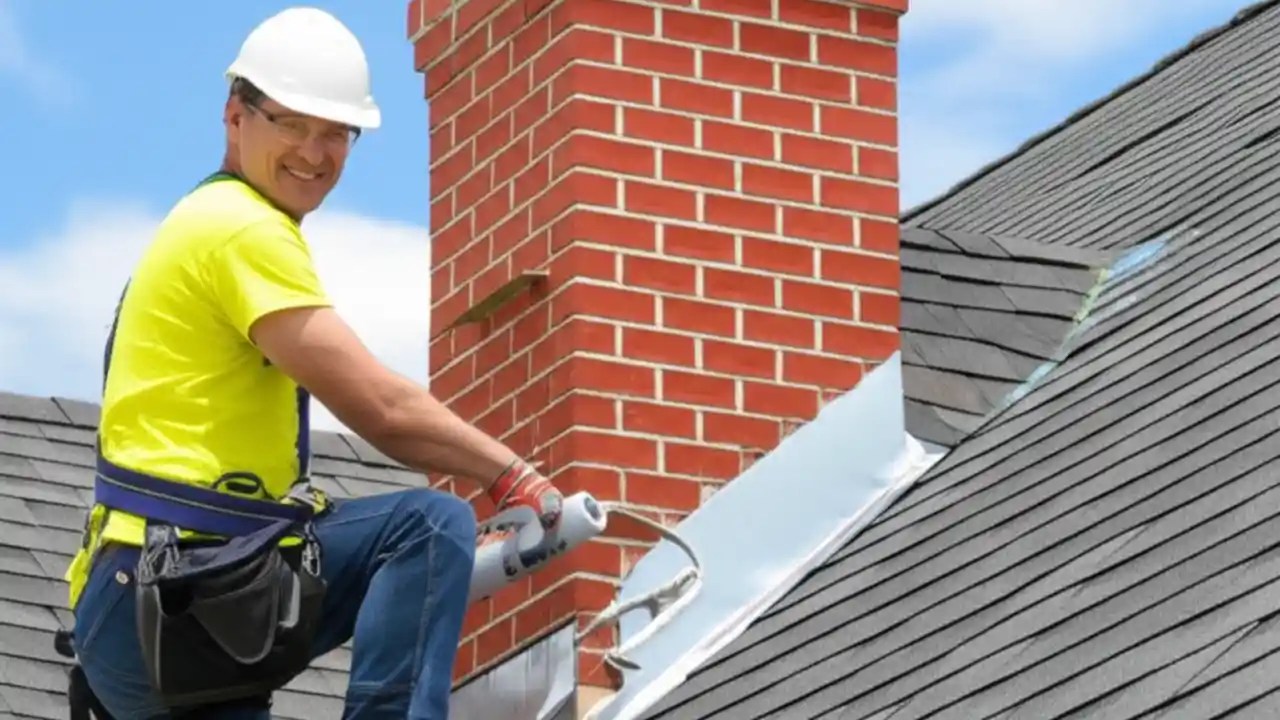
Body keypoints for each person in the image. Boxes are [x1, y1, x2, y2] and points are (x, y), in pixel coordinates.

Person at [61, 7, 563, 719]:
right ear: (236, 116)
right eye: (292, 124)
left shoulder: (208, 220)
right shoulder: (242, 228)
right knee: (427, 527)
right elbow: (378, 407)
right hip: (181, 599)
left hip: (163, 612)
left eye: (335, 133)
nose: (314, 151)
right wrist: (511, 473)